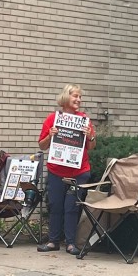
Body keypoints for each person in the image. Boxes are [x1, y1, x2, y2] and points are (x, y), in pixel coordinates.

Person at [37, 84, 97, 255]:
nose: (78, 100)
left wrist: (90, 136)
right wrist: (50, 135)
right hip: (56, 171)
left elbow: (92, 146)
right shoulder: (52, 119)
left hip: (78, 172)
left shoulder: (84, 120)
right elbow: (42, 146)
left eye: (80, 97)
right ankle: (53, 241)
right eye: (75, 96)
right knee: (55, 206)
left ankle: (71, 243)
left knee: (71, 207)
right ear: (65, 97)